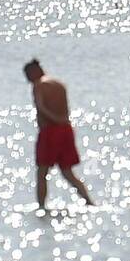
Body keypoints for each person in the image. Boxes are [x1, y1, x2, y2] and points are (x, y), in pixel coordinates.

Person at [23, 59, 94, 209]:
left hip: (50, 131)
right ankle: (89, 202)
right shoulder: (59, 84)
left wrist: (53, 120)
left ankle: (41, 207)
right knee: (67, 172)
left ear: (34, 71)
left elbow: (41, 107)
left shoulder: (39, 85)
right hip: (66, 129)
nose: (27, 79)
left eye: (27, 74)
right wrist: (61, 121)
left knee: (42, 171)